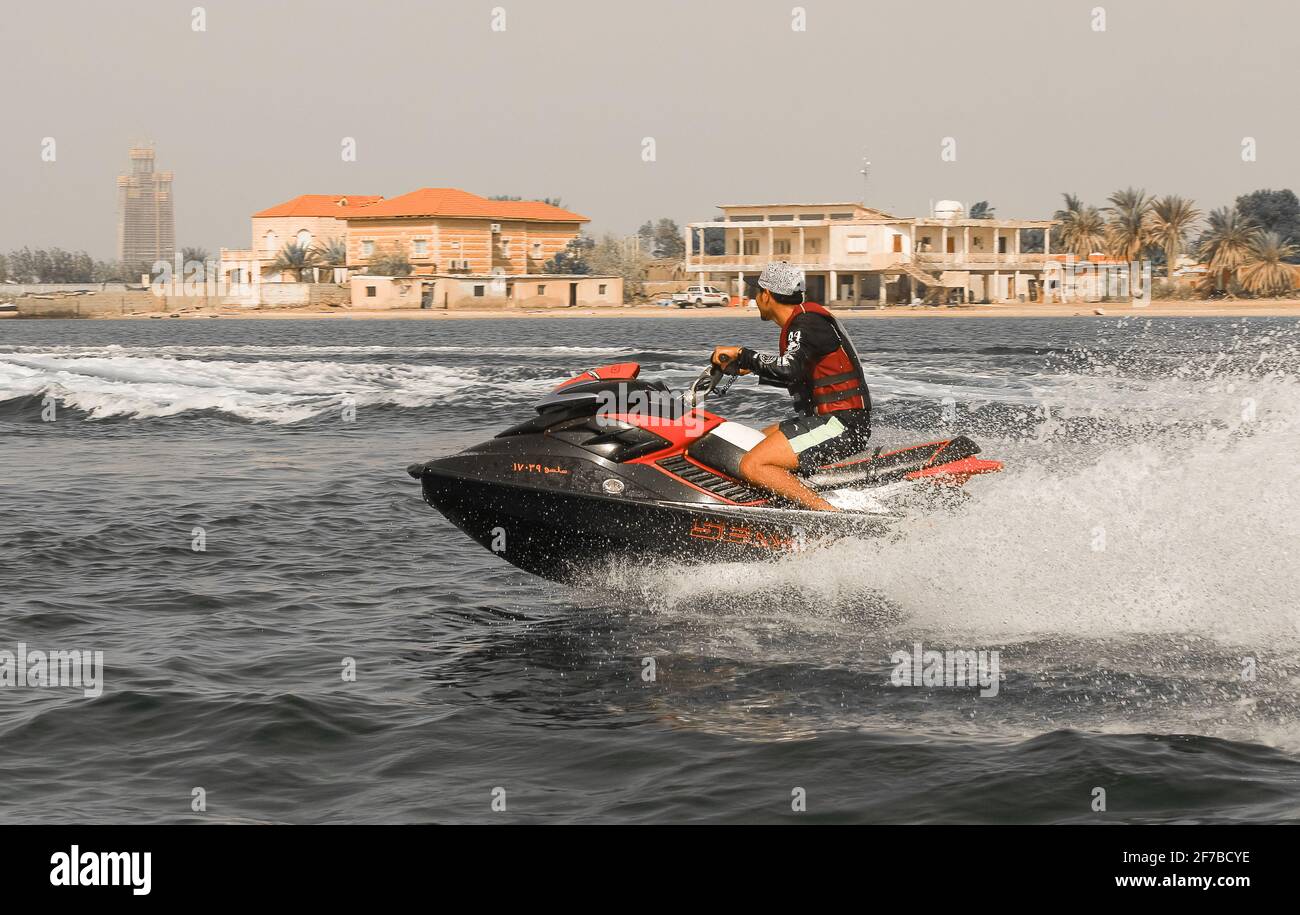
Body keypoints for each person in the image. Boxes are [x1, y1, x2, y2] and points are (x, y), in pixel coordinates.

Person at [711, 263, 871, 511]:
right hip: (828, 420)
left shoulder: (807, 323)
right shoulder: (803, 322)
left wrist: (744, 355)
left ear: (766, 294)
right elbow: (798, 375)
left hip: (841, 424)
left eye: (756, 292)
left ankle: (830, 517)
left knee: (753, 464)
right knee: (751, 443)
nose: (754, 298)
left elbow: (789, 368)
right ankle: (776, 506)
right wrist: (749, 368)